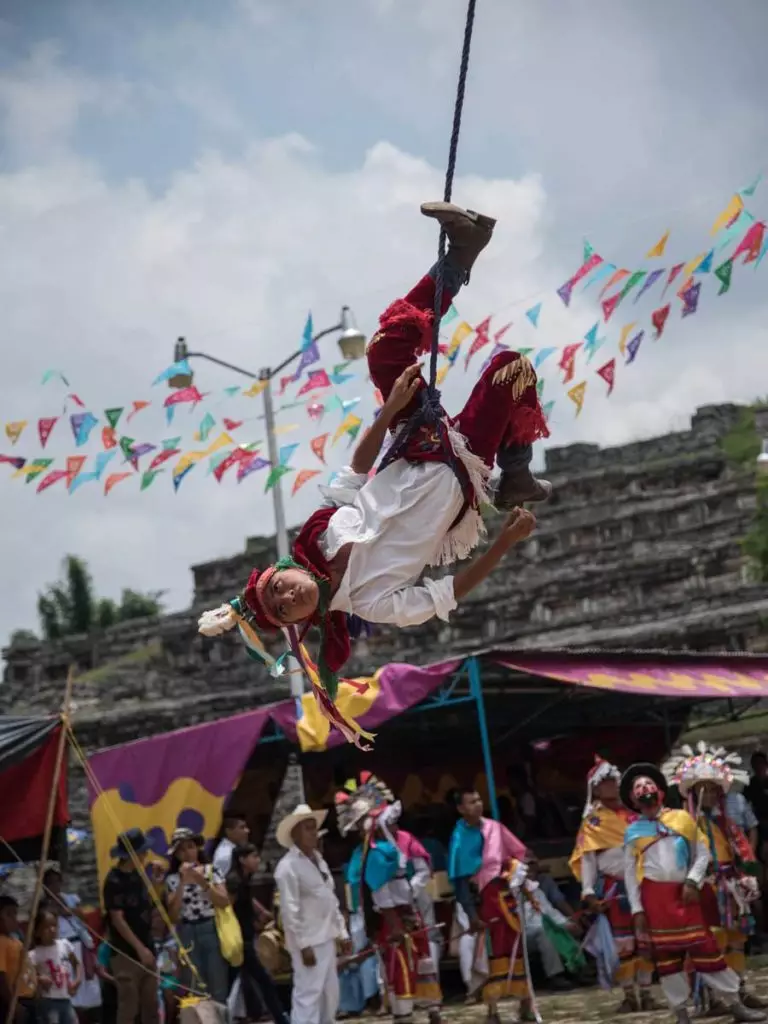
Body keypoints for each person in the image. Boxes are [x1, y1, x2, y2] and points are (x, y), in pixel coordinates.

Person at [198, 201, 548, 741]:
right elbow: (451, 591)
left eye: (278, 589)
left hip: (415, 441)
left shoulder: (318, 534)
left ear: (280, 569)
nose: (288, 597)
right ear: (301, 625)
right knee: (510, 368)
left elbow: (356, 471)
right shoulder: (371, 604)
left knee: (387, 351)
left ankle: (462, 253)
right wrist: (503, 541)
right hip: (463, 472)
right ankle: (514, 471)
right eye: (283, 608)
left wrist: (389, 410)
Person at [621, 762, 766, 1024]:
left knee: (707, 948)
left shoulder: (682, 819)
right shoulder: (632, 833)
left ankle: (735, 1004)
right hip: (654, 900)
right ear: (633, 799)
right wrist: (637, 909)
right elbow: (630, 874)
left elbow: (702, 854)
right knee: (666, 960)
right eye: (638, 789)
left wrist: (692, 881)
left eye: (649, 785)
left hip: (684, 894)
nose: (644, 790)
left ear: (660, 791)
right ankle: (681, 1014)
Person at [662, 741, 766, 1012]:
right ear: (693, 793)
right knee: (710, 941)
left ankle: (740, 989)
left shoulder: (726, 823)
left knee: (735, 940)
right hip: (704, 886)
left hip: (730, 885)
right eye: (703, 790)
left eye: (713, 790)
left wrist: (747, 875)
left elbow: (743, 851)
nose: (708, 795)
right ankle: (715, 998)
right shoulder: (686, 824)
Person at [339, 773, 442, 1024]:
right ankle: (402, 1014)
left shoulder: (405, 840)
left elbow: (421, 870)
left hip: (411, 907)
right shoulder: (368, 852)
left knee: (423, 958)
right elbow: (369, 887)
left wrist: (410, 890)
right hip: (385, 917)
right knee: (397, 964)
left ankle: (433, 1010)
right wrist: (391, 919)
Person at [569, 755, 657, 1013]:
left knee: (645, 941)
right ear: (595, 789)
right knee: (623, 944)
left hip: (643, 885)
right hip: (615, 890)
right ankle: (629, 995)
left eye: (614, 781)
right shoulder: (593, 822)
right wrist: (587, 891)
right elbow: (587, 859)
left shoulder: (636, 814)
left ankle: (647, 993)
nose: (611, 786)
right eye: (605, 783)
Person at [448, 788, 533, 1024]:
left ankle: (525, 1004)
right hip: (483, 900)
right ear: (461, 809)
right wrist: (472, 915)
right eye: (471, 802)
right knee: (489, 953)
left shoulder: (495, 828)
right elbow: (461, 882)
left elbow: (519, 852)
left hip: (506, 895)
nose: (477, 804)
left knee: (517, 948)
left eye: (478, 800)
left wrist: (519, 868)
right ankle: (492, 1010)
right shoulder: (459, 838)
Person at [273, 803, 351, 1024]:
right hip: (308, 940)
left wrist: (342, 933)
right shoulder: (287, 867)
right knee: (308, 994)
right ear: (295, 833)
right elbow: (290, 910)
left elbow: (330, 899)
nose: (313, 833)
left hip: (326, 936)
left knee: (330, 993)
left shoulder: (318, 860)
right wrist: (303, 944)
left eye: (314, 828)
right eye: (307, 828)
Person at [165, 827, 229, 1006]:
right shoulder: (172, 879)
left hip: (211, 927)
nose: (187, 853)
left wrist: (202, 881)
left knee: (218, 980)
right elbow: (172, 915)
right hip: (186, 931)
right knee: (194, 983)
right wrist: (183, 882)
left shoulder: (211, 871)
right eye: (181, 850)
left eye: (190, 847)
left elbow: (224, 901)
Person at [226, 843, 288, 1024]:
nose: (257, 861)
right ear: (242, 860)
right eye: (253, 857)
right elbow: (227, 909)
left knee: (251, 981)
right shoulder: (233, 880)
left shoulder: (244, 879)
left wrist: (260, 914)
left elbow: (246, 902)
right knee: (258, 981)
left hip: (245, 937)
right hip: (238, 940)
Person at [103, 827, 160, 1024]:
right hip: (126, 952)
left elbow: (148, 905)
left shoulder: (140, 875)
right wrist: (139, 949)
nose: (146, 855)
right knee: (129, 1006)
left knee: (151, 1004)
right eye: (143, 851)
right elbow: (118, 919)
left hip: (148, 945)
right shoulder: (114, 881)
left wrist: (157, 882)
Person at [42, 868, 102, 1023]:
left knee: (85, 985)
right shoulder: (43, 905)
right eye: (50, 883)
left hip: (77, 943)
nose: (54, 886)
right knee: (67, 985)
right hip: (60, 946)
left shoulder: (70, 899)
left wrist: (69, 910)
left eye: (57, 882)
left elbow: (83, 917)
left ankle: (89, 1017)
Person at [519, 856, 583, 991]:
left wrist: (566, 923)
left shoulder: (536, 889)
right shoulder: (512, 892)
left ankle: (578, 969)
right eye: (526, 865)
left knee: (570, 928)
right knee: (544, 932)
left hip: (543, 926)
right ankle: (555, 976)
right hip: (522, 934)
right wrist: (553, 926)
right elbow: (525, 921)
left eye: (532, 864)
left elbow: (550, 911)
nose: (529, 868)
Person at [29, 907, 82, 1024]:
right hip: (48, 1000)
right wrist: (39, 979)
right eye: (46, 927)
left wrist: (77, 981)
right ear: (37, 931)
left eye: (54, 925)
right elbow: (28, 977)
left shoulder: (64, 945)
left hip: (66, 998)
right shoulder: (34, 954)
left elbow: (77, 964)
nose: (52, 930)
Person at [0, 894, 37, 1024]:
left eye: (15, 914)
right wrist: (13, 1004)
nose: (14, 919)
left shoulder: (18, 941)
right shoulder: (1, 942)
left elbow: (28, 966)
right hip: (15, 999)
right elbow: (1, 977)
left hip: (29, 997)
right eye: (8, 914)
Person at [213, 815, 250, 879]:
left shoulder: (233, 850)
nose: (247, 831)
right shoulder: (225, 855)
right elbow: (215, 882)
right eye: (242, 827)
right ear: (228, 831)